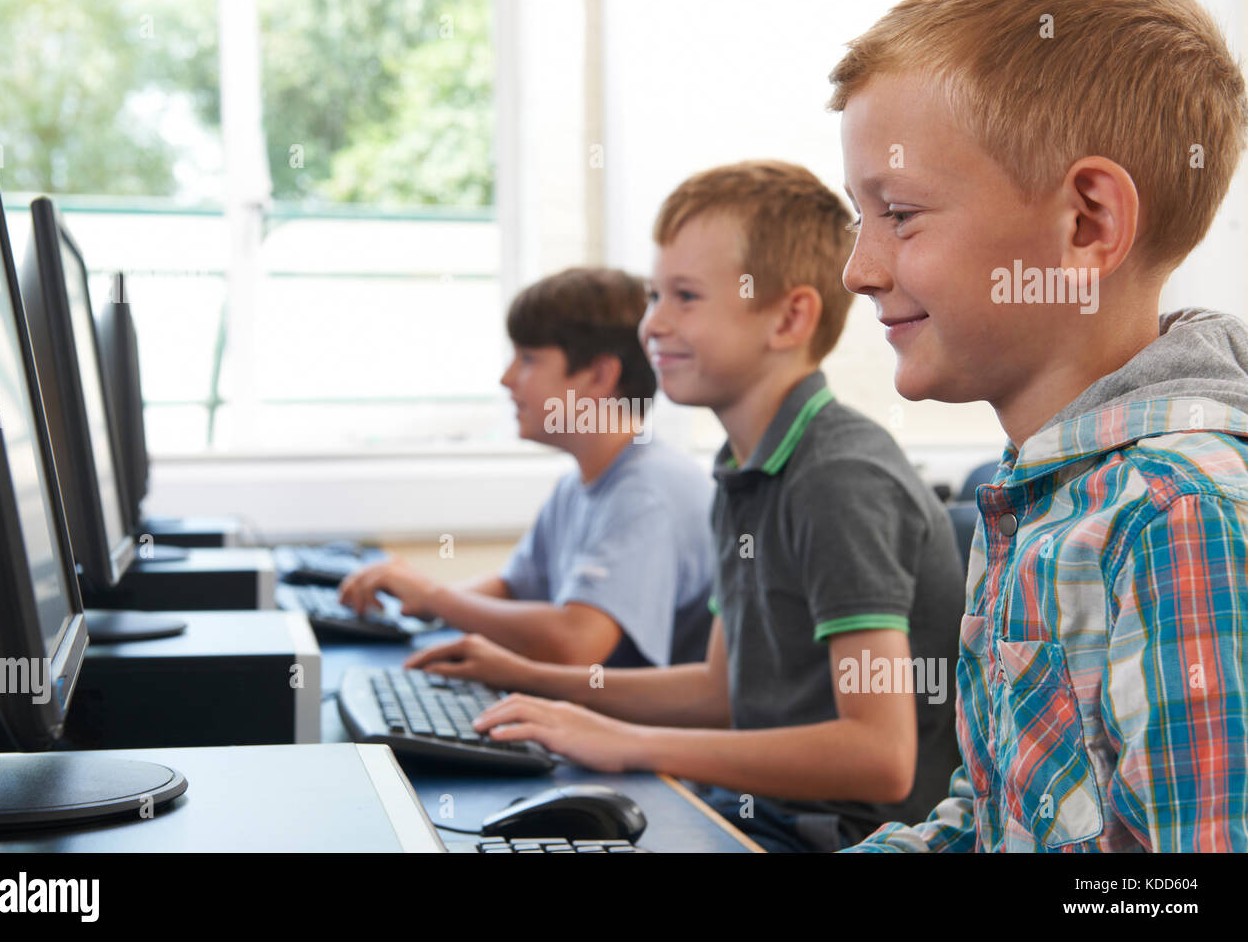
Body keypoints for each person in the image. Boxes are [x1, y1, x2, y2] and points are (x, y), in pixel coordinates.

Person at [407, 160, 965, 852]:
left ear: (789, 316)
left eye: (686, 297)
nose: (652, 325)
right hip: (760, 811)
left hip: (837, 836)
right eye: (652, 296)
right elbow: (718, 690)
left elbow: (879, 758)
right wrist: (531, 680)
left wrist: (630, 742)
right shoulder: (743, 468)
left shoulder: (837, 477)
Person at [832, 0, 1248, 851]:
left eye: (899, 215)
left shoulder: (1177, 517)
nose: (858, 269)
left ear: (1087, 223)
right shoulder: (1038, 492)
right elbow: (991, 819)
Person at [338, 266, 714, 668]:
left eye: (528, 359)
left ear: (600, 375)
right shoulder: (579, 484)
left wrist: (435, 597)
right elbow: (513, 588)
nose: (507, 378)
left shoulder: (648, 493)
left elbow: (578, 643)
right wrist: (421, 604)